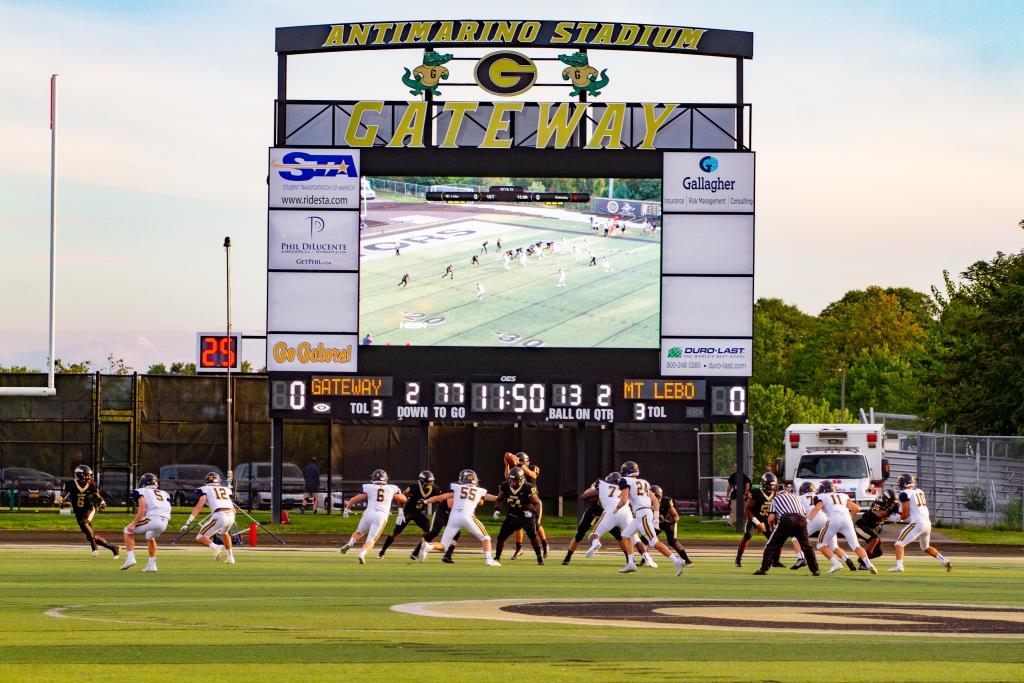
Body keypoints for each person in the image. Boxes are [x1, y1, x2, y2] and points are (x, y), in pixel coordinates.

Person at [615, 461, 685, 576]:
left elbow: (624, 500)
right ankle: (631, 563)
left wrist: (616, 509)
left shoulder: (625, 481)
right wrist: (656, 518)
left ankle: (677, 561)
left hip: (642, 514)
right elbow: (655, 501)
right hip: (642, 514)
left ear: (625, 471)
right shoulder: (645, 483)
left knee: (653, 542)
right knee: (626, 535)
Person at [424, 469, 500, 566]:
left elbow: (441, 497)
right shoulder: (479, 490)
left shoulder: (456, 487)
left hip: (454, 517)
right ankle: (489, 560)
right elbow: (494, 498)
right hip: (468, 516)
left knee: (444, 546)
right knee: (486, 538)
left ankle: (429, 546)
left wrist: (425, 501)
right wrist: (504, 496)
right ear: (475, 480)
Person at [807, 480, 877, 574]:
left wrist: (807, 520)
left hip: (834, 519)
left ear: (823, 489)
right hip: (847, 520)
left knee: (821, 544)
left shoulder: (821, 496)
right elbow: (857, 508)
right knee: (855, 545)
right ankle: (868, 564)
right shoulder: (843, 495)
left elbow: (817, 508)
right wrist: (849, 516)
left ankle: (836, 564)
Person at [339, 469, 407, 564]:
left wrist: (347, 509)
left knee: (359, 532)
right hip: (381, 515)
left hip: (368, 513)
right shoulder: (392, 488)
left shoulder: (368, 487)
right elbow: (403, 499)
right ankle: (362, 553)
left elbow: (354, 499)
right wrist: (394, 496)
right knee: (371, 540)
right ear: (386, 479)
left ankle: (350, 543)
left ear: (373, 478)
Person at [753, 482, 820, 576]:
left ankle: (764, 569)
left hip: (787, 520)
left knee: (771, 545)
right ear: (787, 491)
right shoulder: (796, 497)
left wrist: (772, 527)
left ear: (776, 492)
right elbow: (803, 513)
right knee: (807, 546)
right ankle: (815, 570)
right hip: (801, 520)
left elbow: (771, 518)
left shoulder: (775, 499)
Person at [890, 473, 951, 573]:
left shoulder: (904, 494)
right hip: (927, 522)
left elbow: (906, 514)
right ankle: (944, 561)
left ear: (903, 483)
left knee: (899, 544)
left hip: (918, 522)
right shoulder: (919, 491)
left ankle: (899, 566)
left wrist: (896, 518)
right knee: (925, 547)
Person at [792, 481, 857, 572]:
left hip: (813, 519)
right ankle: (847, 559)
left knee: (795, 538)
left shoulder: (800, 498)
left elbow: (798, 512)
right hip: (826, 519)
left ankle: (801, 558)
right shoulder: (819, 496)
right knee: (834, 546)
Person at [59, 465, 118, 558]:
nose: (89, 477)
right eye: (86, 475)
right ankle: (113, 548)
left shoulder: (91, 484)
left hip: (89, 509)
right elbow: (61, 496)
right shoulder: (71, 484)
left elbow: (98, 497)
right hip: (78, 512)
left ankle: (94, 547)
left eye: (89, 475)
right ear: (79, 475)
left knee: (84, 522)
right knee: (90, 535)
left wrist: (102, 502)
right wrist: (61, 502)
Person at [378, 470, 437, 558]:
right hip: (408, 512)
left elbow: (440, 498)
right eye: (428, 481)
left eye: (431, 481)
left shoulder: (435, 489)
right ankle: (382, 551)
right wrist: (401, 511)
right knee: (396, 532)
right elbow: (402, 498)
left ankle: (415, 553)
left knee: (429, 531)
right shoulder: (413, 487)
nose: (430, 483)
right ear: (421, 481)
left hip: (419, 513)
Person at [182, 471, 237, 565]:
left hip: (220, 515)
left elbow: (199, 506)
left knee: (200, 537)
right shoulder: (225, 489)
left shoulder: (205, 489)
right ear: (218, 480)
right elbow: (233, 508)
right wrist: (232, 520)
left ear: (206, 481)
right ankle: (230, 557)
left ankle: (216, 548)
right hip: (231, 515)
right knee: (225, 532)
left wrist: (189, 521)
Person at [121, 473, 171, 572]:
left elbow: (142, 509)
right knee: (150, 536)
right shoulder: (164, 493)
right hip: (165, 521)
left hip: (152, 518)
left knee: (127, 530)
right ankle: (152, 565)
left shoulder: (141, 491)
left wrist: (134, 524)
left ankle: (130, 558)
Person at [493, 467, 544, 564]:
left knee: (532, 535)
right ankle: (497, 557)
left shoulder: (527, 487)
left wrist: (532, 511)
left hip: (526, 514)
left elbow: (537, 503)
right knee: (501, 537)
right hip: (512, 514)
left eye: (514, 480)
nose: (512, 482)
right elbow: (499, 499)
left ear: (521, 479)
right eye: (511, 480)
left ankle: (539, 557)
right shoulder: (505, 486)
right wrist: (497, 510)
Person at [583, 472, 633, 564]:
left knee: (594, 535)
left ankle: (595, 542)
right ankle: (640, 558)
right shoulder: (626, 486)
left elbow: (584, 495)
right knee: (632, 538)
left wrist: (597, 494)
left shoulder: (602, 484)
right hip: (625, 513)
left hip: (609, 513)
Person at [505, 452, 548, 558]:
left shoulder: (532, 467)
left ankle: (545, 544)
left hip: (533, 501)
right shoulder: (516, 470)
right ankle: (519, 548)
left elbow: (533, 475)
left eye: (520, 460)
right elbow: (507, 478)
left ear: (525, 461)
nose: (518, 462)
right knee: (518, 525)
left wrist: (520, 465)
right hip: (521, 500)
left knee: (536, 525)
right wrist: (507, 464)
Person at [735, 471, 777, 568]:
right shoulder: (756, 493)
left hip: (767, 520)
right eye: (770, 485)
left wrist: (773, 524)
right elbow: (747, 510)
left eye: (774, 485)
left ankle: (775, 560)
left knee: (775, 539)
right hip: (755, 518)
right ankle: (738, 558)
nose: (772, 487)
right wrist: (757, 523)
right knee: (748, 535)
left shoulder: (775, 495)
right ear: (764, 484)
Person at [644, 485, 693, 565]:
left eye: (654, 495)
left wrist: (669, 522)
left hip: (669, 522)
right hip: (658, 523)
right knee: (645, 539)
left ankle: (688, 561)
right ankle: (646, 560)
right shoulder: (647, 503)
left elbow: (676, 516)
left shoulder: (666, 501)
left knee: (672, 541)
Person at [562, 478, 605, 565]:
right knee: (579, 535)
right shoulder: (601, 484)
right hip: (594, 511)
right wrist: (596, 494)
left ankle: (629, 558)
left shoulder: (621, 487)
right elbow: (585, 494)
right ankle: (568, 556)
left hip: (607, 513)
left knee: (619, 536)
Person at [854, 487, 902, 566]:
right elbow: (880, 514)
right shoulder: (878, 502)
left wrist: (900, 516)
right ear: (885, 499)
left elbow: (900, 514)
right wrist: (890, 511)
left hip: (870, 528)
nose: (893, 504)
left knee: (878, 552)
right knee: (874, 539)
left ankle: (862, 561)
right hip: (861, 526)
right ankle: (864, 562)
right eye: (891, 502)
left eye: (894, 502)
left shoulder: (894, 505)